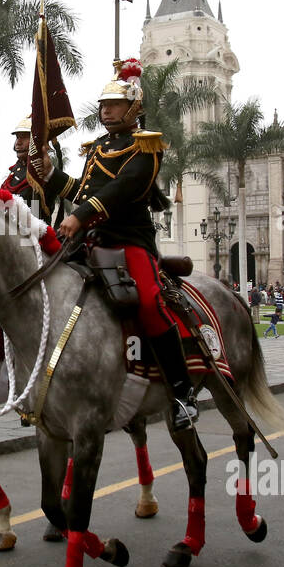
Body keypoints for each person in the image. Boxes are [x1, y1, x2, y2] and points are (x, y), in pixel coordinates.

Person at [51, 58, 197, 430]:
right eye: (103, 104)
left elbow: (123, 189)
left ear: (133, 107)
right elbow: (81, 191)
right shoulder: (98, 147)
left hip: (129, 240)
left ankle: (182, 392)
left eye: (113, 104)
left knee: (149, 301)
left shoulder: (146, 147)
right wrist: (50, 177)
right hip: (91, 239)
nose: (105, 110)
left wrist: (80, 215)